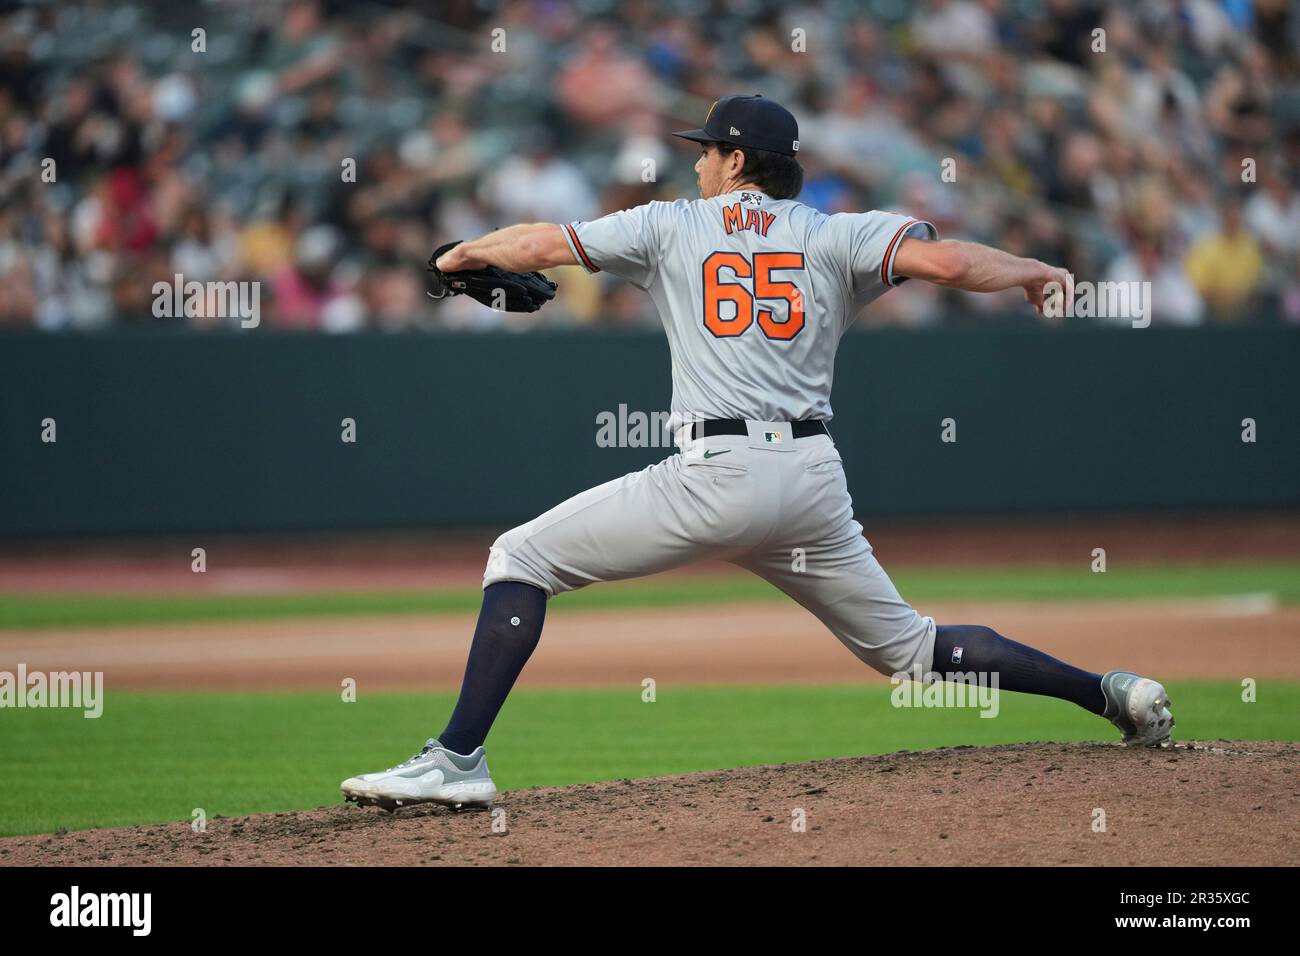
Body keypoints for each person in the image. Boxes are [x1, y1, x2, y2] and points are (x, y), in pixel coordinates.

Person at [341, 95, 1174, 811]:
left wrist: (454, 260)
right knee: (913, 652)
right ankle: (1109, 693)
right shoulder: (838, 234)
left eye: (707, 152)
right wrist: (1031, 268)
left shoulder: (669, 225)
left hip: (714, 476)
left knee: (519, 557)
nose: (698, 165)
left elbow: (533, 247)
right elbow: (952, 260)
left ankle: (455, 762)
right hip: (810, 482)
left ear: (738, 160)